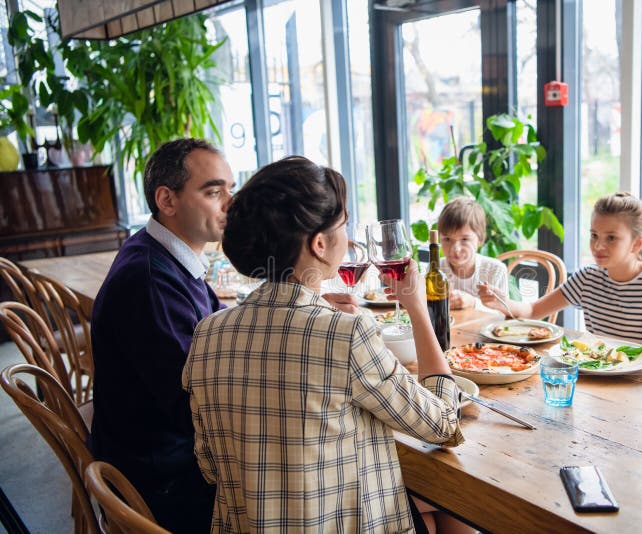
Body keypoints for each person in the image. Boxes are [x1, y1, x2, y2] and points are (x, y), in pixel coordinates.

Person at [183, 156, 464, 532]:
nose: (348, 239)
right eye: (344, 223)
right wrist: (417, 309)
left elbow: (209, 465)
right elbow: (444, 424)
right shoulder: (346, 335)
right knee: (459, 513)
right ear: (319, 244)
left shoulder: (206, 333)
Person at [90, 138, 234, 533]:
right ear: (167, 200)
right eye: (213, 191)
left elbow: (217, 324)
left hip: (155, 458)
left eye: (230, 190)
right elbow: (193, 408)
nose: (229, 203)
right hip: (165, 484)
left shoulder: (161, 253)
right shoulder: (151, 282)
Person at [478, 192, 642, 345]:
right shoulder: (587, 278)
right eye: (594, 235)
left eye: (611, 238)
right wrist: (502, 302)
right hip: (597, 379)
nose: (598, 246)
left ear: (637, 243)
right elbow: (533, 311)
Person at [437, 196, 508, 310]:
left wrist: (473, 303)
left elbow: (502, 314)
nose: (456, 249)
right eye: (447, 239)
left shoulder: (495, 270)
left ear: (480, 239)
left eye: (465, 239)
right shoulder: (436, 268)